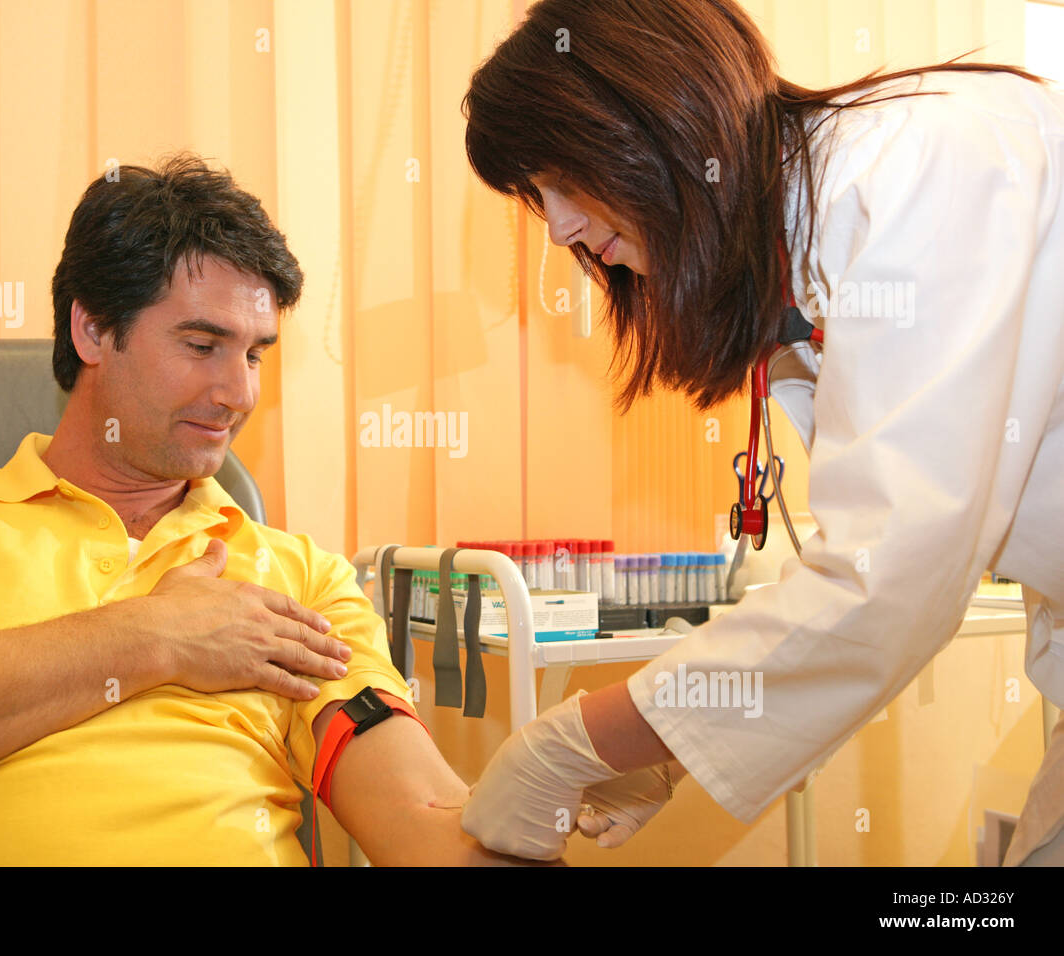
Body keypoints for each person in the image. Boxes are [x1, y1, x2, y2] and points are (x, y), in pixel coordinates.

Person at [0, 155, 547, 866]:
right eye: (202, 345)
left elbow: (419, 817)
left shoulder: (299, 579)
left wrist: (546, 782)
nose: (238, 394)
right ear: (94, 328)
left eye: (254, 353)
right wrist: (149, 637)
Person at [456, 0, 1064, 866]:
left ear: (655, 114)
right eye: (537, 197)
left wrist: (594, 736)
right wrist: (670, 737)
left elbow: (886, 574)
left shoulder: (912, 170)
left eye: (562, 177)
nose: (558, 229)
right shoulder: (815, 245)